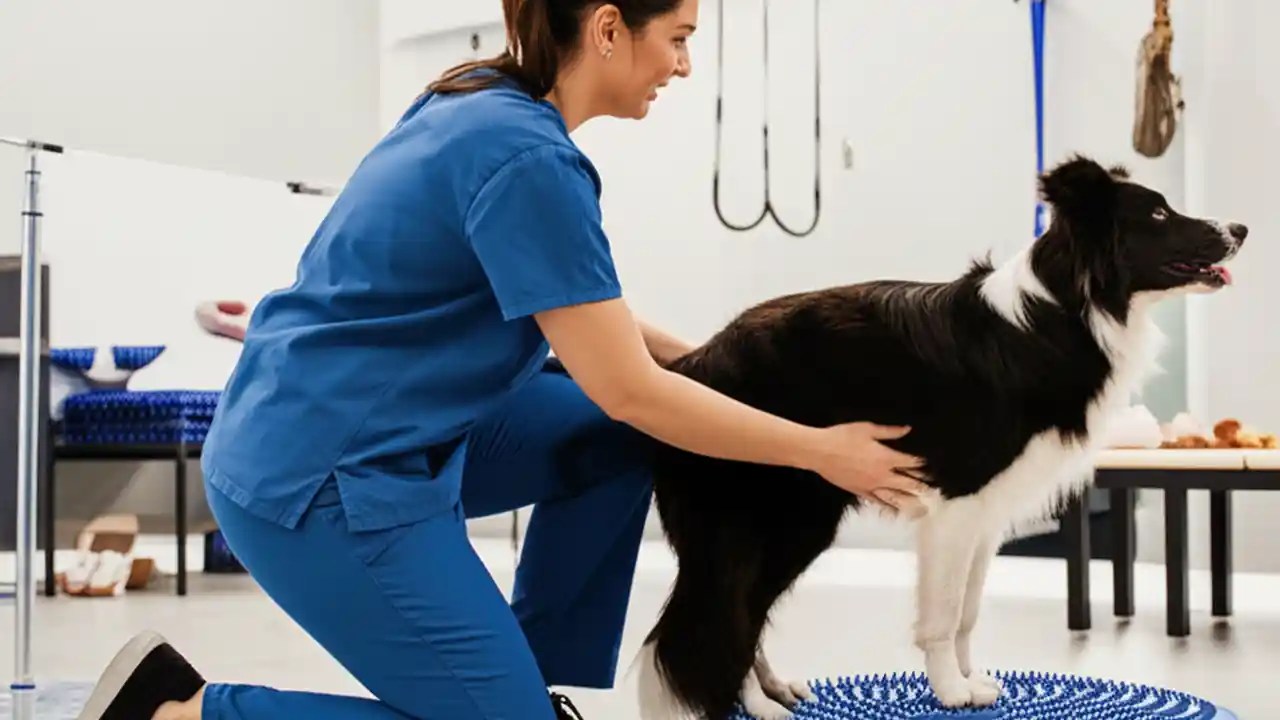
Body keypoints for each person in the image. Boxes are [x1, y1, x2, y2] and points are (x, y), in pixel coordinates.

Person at [76, 1, 927, 718]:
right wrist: (821, 449)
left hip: (366, 425)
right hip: (320, 475)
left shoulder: (484, 97)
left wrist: (713, 358)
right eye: (678, 37)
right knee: (633, 423)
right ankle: (178, 710)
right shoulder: (530, 159)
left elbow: (592, 317)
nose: (684, 65)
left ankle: (513, 674)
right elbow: (632, 388)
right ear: (605, 29)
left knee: (617, 441)